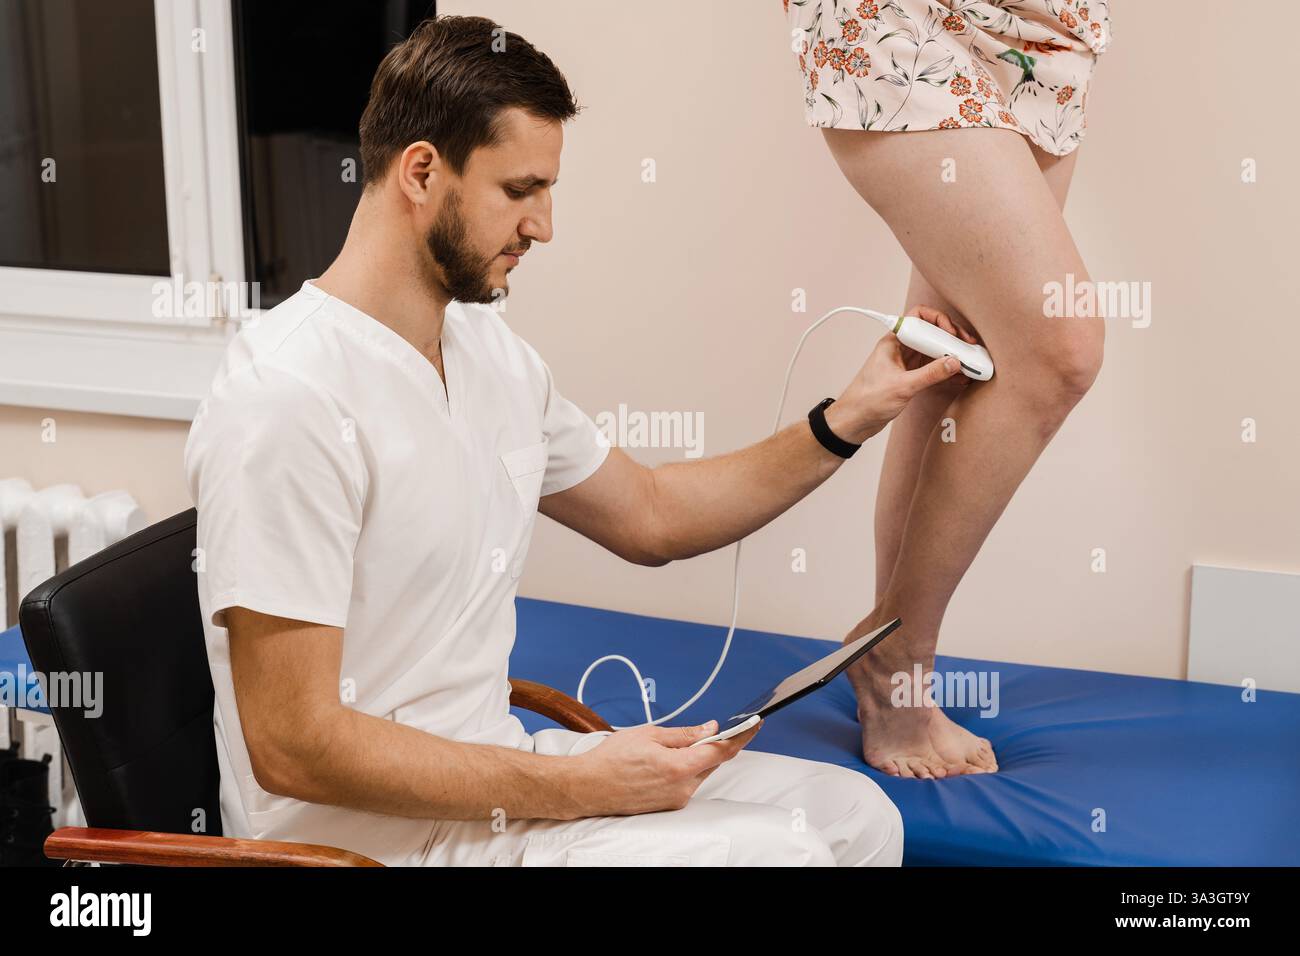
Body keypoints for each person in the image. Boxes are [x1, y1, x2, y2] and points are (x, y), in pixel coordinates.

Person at [185, 15, 963, 867]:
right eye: (520, 190)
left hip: (494, 783)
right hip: (367, 843)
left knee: (856, 816)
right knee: (781, 858)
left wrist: (849, 414)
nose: (544, 225)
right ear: (420, 172)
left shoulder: (487, 353)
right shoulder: (286, 398)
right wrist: (584, 786)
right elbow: (294, 746)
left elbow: (653, 517)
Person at [783, 0, 1112, 778]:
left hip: (1049, 25)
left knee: (952, 348)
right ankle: (895, 652)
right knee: (1058, 350)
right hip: (906, 13)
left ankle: (899, 680)